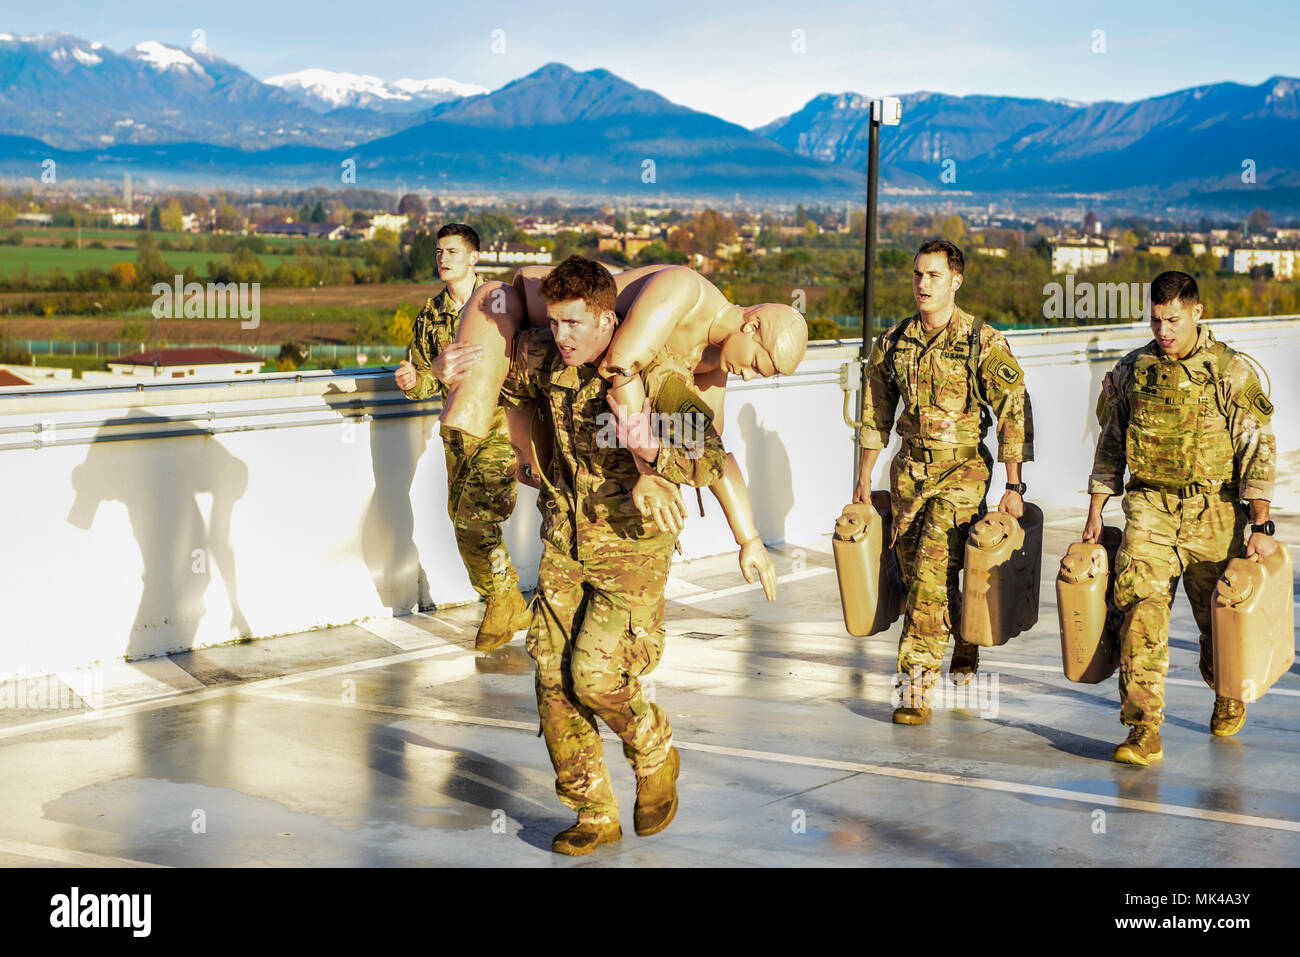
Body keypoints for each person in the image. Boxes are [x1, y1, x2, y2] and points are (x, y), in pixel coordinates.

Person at [501, 257, 727, 856]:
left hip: (630, 552)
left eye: (575, 323)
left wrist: (653, 466)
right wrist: (523, 446)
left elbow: (708, 456)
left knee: (596, 676)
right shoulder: (545, 355)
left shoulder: (652, 369)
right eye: (554, 322)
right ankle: (592, 812)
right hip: (565, 541)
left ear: (608, 318)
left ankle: (653, 748)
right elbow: (500, 381)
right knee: (552, 677)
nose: (562, 336)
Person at [446, 262, 807, 600]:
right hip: (515, 303)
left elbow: (708, 450)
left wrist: (750, 539)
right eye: (757, 364)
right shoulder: (685, 289)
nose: (747, 375)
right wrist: (648, 469)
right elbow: (620, 363)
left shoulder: (712, 365)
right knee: (468, 411)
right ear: (753, 325)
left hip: (568, 356)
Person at [1085, 271, 1277, 766]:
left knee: (1217, 626)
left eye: (1172, 319)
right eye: (1155, 319)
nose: (1163, 330)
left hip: (1214, 512)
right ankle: (1143, 729)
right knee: (1140, 616)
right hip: (1149, 508)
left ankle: (1226, 686)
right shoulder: (1133, 370)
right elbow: (1110, 444)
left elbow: (1257, 449)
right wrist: (1095, 509)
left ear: (1197, 312)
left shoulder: (1231, 372)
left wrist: (1260, 526)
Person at [854, 239, 1034, 725]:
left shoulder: (982, 341)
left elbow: (1013, 409)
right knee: (916, 578)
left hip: (963, 473)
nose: (922, 284)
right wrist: (862, 482)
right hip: (910, 473)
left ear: (956, 280)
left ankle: (914, 689)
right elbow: (875, 415)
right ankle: (965, 636)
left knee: (932, 570)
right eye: (917, 274)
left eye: (933, 275)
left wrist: (1013, 486)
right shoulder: (893, 343)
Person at [393, 223, 530, 650]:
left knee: (475, 518)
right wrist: (416, 378)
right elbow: (426, 380)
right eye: (438, 251)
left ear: (475, 257)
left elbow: (529, 365)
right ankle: (509, 600)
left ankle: (499, 600)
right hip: (456, 438)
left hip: (501, 430)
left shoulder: (501, 305)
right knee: (462, 518)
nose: (443, 258)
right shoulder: (430, 316)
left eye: (452, 251)